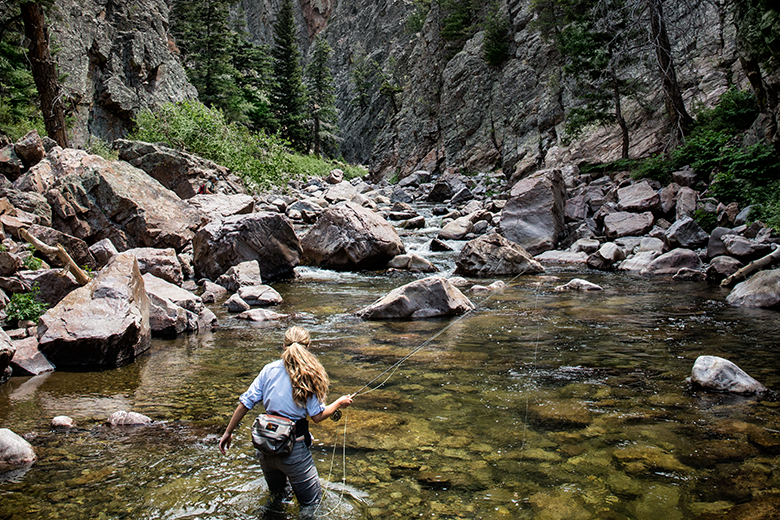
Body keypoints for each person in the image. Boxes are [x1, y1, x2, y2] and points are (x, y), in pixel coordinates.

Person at [218, 326, 353, 517]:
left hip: (265, 448)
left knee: (277, 498)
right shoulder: (309, 374)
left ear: (283, 345)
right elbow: (317, 416)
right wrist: (339, 403)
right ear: (308, 346)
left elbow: (245, 403)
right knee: (312, 504)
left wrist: (228, 432)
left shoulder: (268, 370)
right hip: (294, 452)